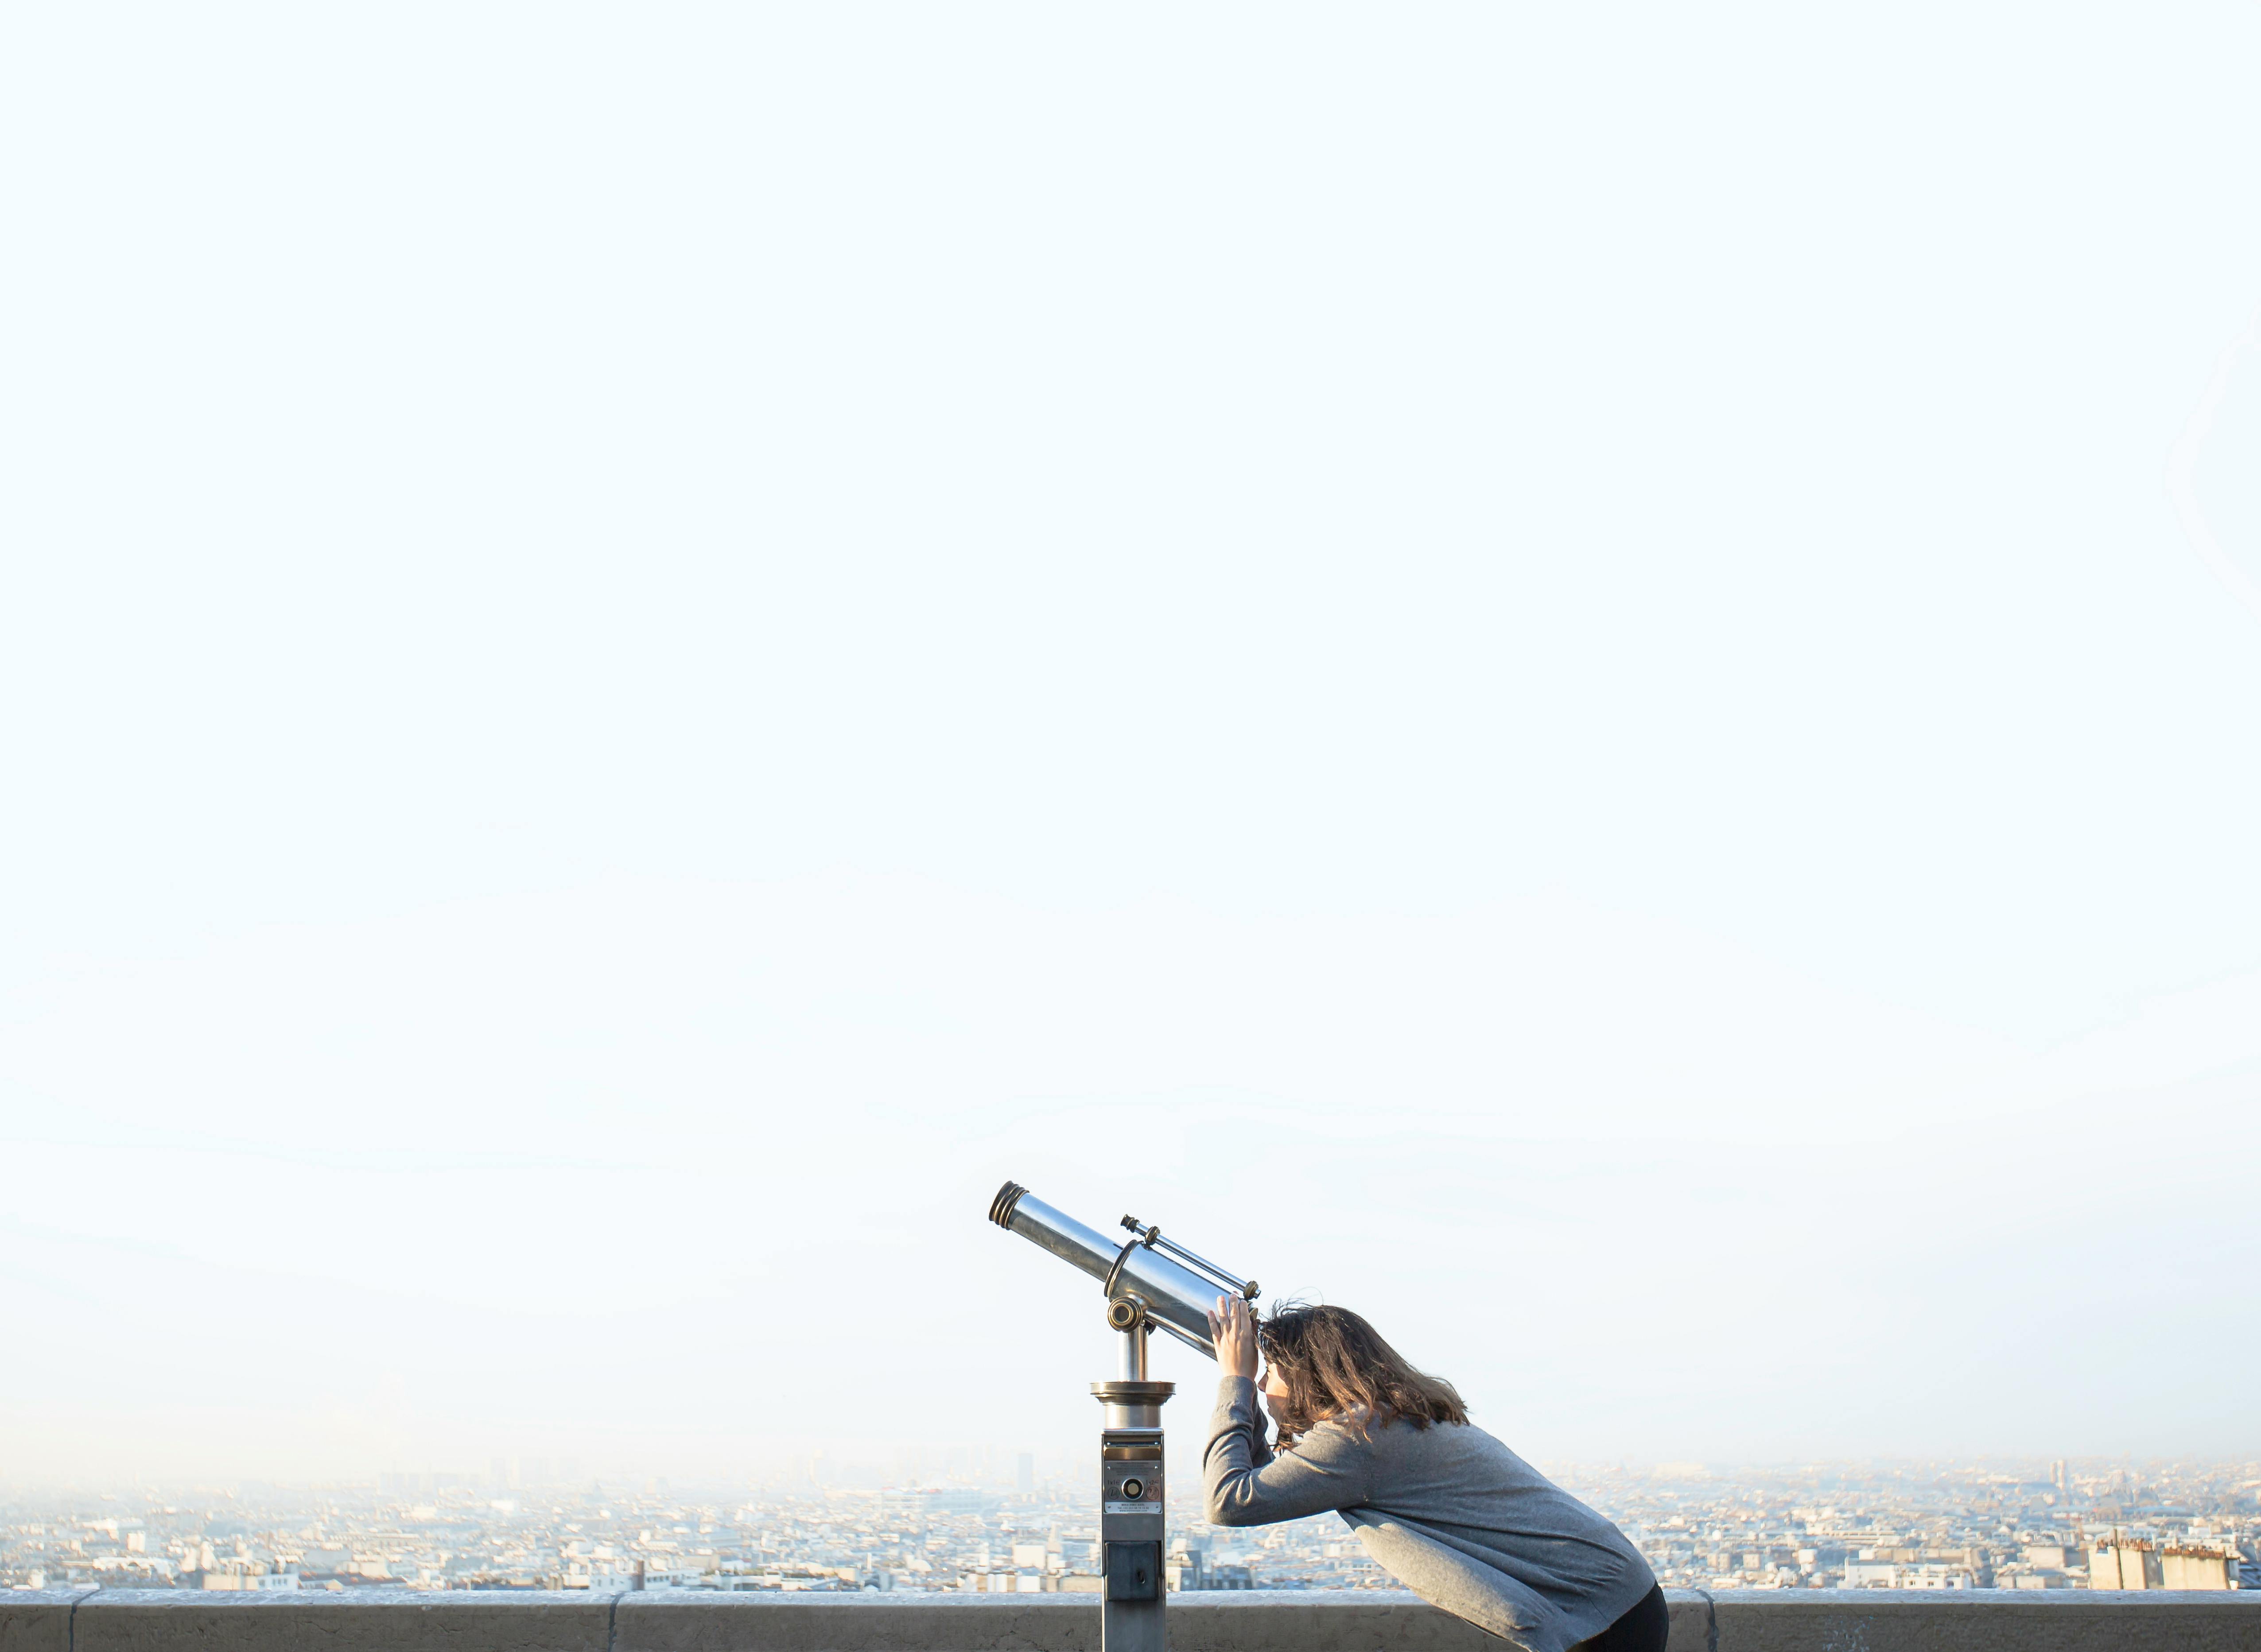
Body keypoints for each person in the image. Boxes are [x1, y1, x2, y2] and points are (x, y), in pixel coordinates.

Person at [1202, 1295, 1667, 1652]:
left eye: (1272, 1372)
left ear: (1309, 1376)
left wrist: (1235, 1383)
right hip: (1620, 1598)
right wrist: (1244, 1393)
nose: (1263, 1383)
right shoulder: (1385, 1421)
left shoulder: (1358, 1439)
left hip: (1602, 1615)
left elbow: (1229, 1500)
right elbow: (1264, 1484)